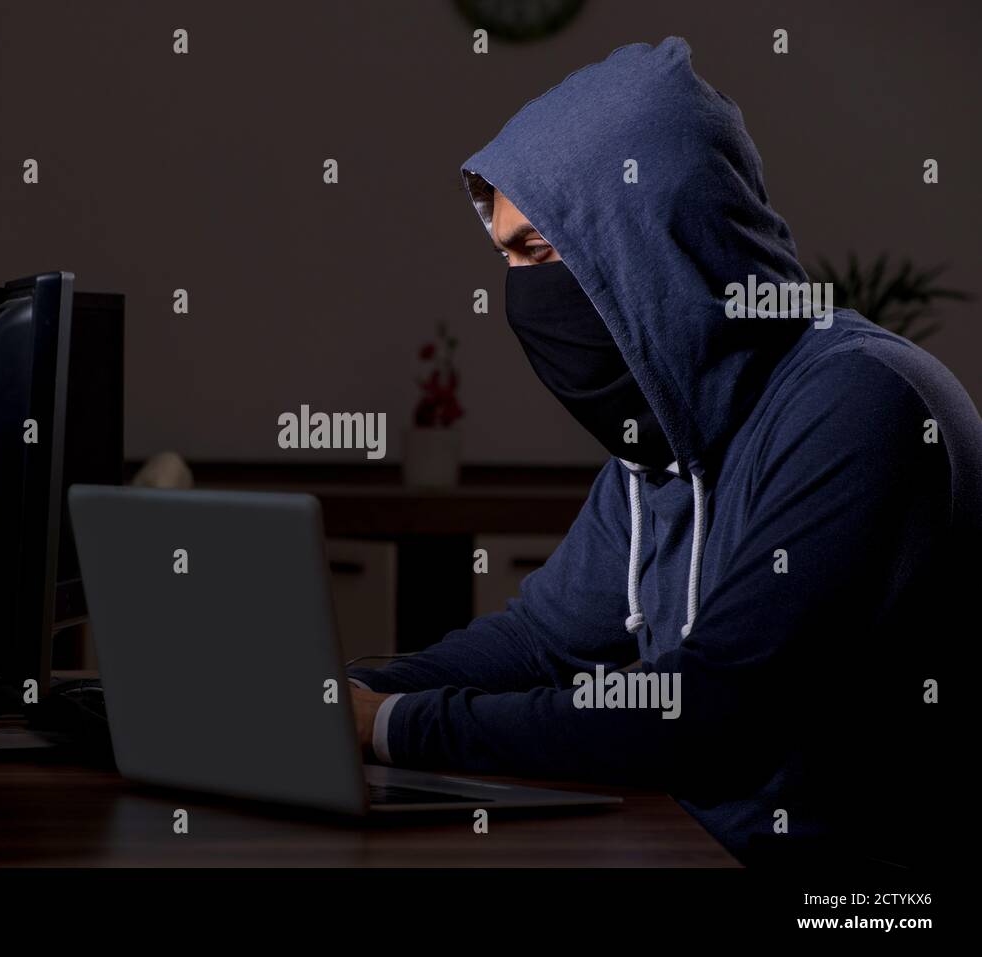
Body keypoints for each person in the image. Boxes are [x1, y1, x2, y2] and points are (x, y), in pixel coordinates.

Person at [348, 37, 979, 866]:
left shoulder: (867, 402)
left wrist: (390, 729)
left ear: (649, 235)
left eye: (539, 251)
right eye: (506, 259)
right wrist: (353, 694)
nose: (520, 292)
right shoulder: (669, 441)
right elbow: (543, 640)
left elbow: (710, 712)